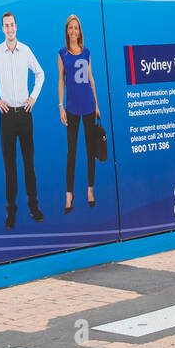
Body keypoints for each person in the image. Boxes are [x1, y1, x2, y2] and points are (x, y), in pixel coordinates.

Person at [0, 11, 45, 229]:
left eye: (12, 25)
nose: (9, 28)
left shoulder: (26, 51)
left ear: (16, 27)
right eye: (6, 25)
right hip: (6, 116)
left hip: (25, 114)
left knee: (29, 164)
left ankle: (34, 207)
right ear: (2, 29)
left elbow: (40, 74)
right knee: (10, 166)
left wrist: (33, 97)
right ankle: (11, 212)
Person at [57, 14, 101, 213]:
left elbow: (91, 79)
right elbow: (61, 80)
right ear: (67, 31)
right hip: (72, 108)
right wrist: (60, 106)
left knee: (90, 150)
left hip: (89, 106)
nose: (73, 31)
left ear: (79, 31)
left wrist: (97, 104)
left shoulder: (86, 52)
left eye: (76, 28)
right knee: (71, 152)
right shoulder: (62, 54)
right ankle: (69, 194)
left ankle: (90, 189)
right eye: (70, 28)